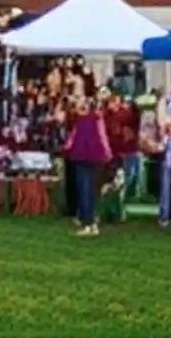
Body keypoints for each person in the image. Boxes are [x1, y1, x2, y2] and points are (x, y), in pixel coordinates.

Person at [65, 97, 112, 236]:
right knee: (89, 190)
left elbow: (73, 138)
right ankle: (89, 221)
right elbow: (102, 137)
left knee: (84, 189)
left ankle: (88, 222)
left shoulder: (81, 121)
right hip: (93, 156)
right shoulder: (97, 119)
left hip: (82, 155)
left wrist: (67, 148)